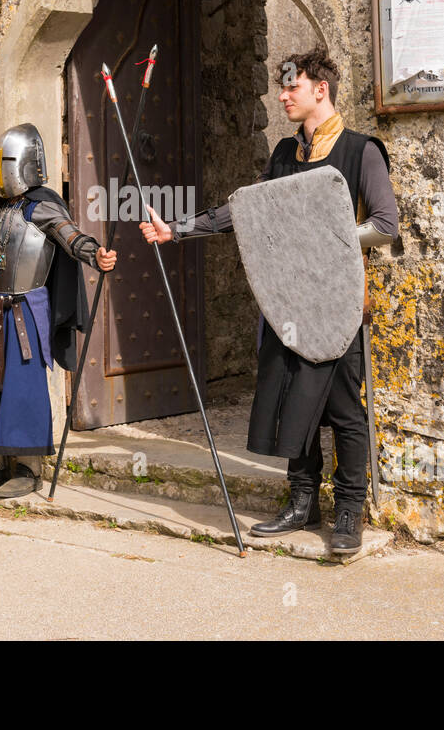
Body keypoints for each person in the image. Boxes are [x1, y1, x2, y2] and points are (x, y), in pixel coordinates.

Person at [140, 48, 398, 552]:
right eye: (282, 89)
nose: (282, 96)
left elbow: (385, 226)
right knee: (294, 406)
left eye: (292, 88)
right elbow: (247, 212)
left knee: (345, 411)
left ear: (319, 90)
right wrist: (177, 231)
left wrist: (329, 237)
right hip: (288, 306)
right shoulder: (283, 154)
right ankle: (302, 502)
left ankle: (349, 512)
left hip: (340, 306)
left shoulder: (360, 151)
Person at [0, 123, 117, 498]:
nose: (0, 169)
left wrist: (96, 254)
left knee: (24, 384)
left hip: (26, 309)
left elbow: (70, 236)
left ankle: (28, 467)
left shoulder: (42, 206)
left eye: (6, 161)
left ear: (26, 163)